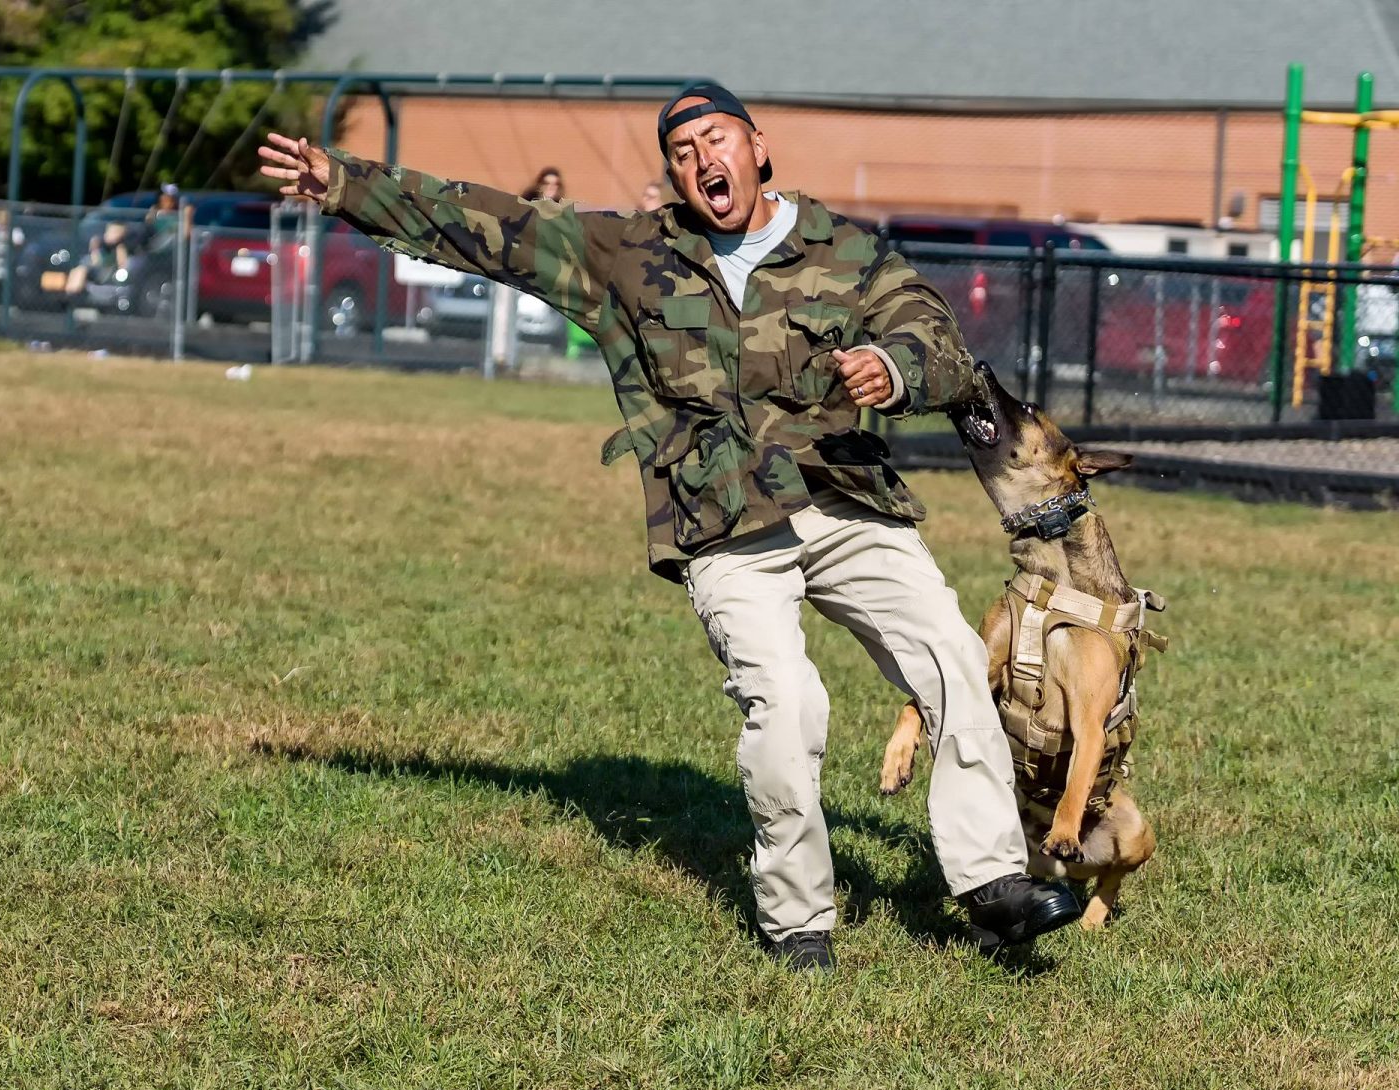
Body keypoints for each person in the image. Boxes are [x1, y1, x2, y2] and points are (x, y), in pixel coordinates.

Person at [258, 81, 1082, 971]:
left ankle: (993, 885)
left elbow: (937, 338)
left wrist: (891, 365)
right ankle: (800, 921)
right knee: (788, 700)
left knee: (952, 655)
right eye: (682, 153)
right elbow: (487, 224)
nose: (701, 161)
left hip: (846, 498)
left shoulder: (844, 250)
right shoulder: (629, 255)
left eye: (717, 139)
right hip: (723, 520)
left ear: (758, 147)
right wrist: (343, 183)